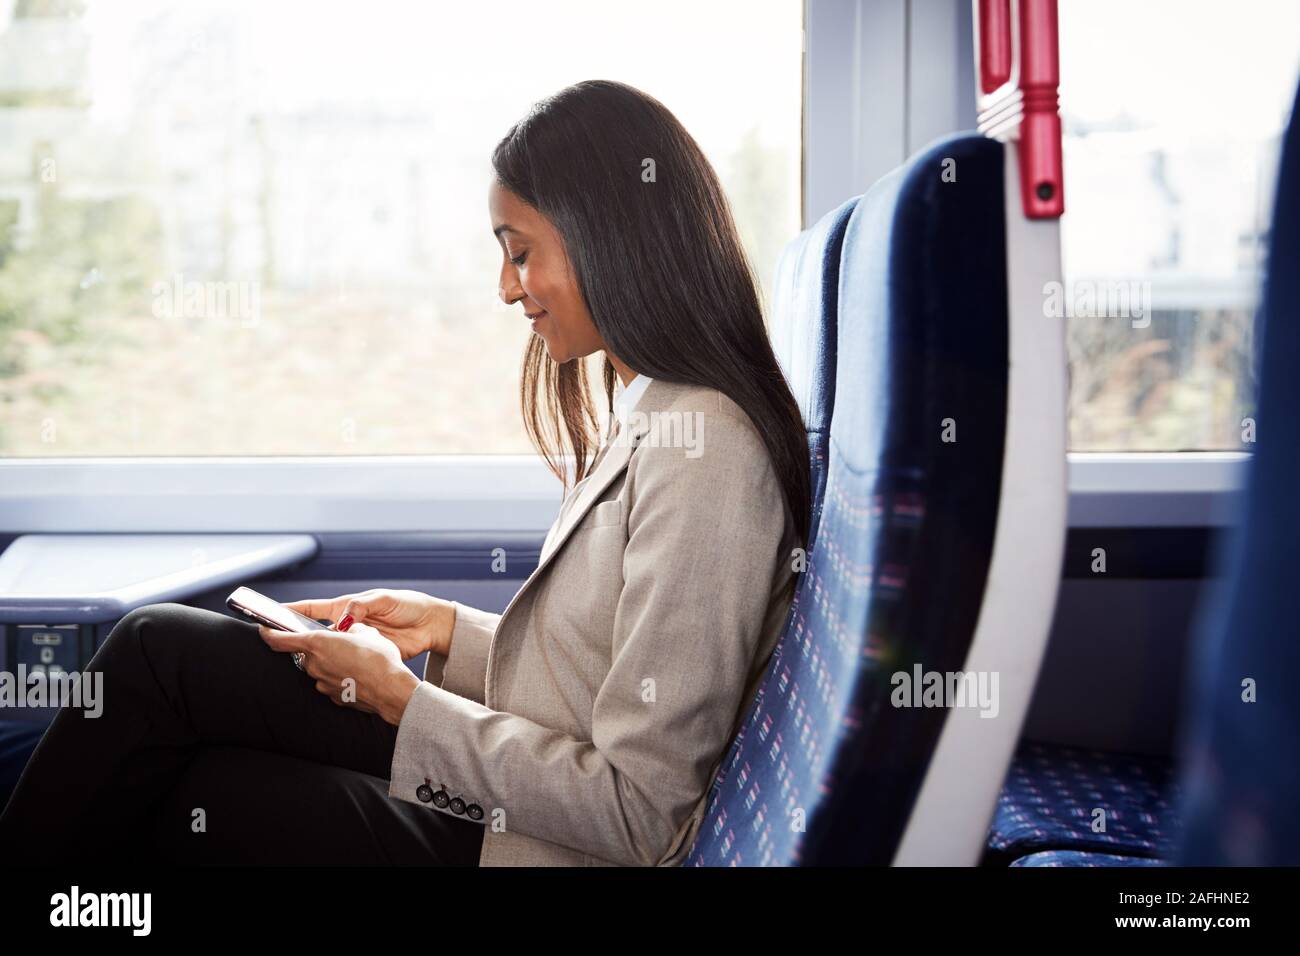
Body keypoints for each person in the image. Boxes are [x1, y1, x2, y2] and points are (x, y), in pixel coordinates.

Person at [0, 79, 810, 867]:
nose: (506, 291)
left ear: (611, 238)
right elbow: (602, 675)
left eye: (521, 254)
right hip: (521, 804)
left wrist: (401, 698)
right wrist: (446, 629)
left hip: (538, 846)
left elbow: (638, 810)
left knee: (193, 770)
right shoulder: (655, 410)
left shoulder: (707, 451)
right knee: (165, 658)